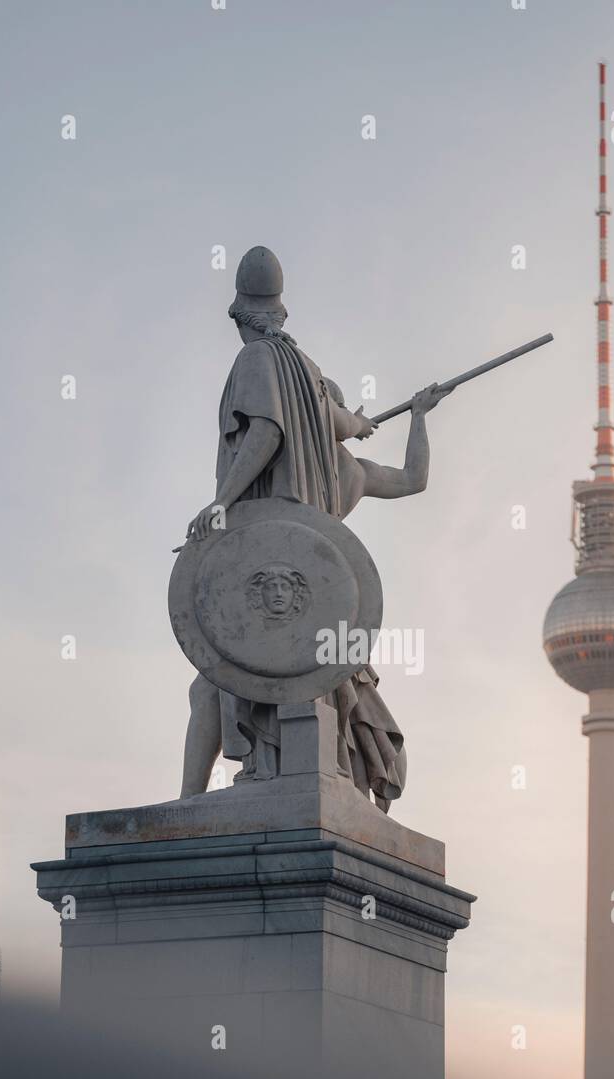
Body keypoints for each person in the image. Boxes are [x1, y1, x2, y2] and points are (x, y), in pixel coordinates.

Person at [180, 247, 451, 808]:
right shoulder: (347, 469)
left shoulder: (260, 361)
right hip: (321, 612)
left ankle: (193, 799)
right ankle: (258, 784)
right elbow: (413, 478)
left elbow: (266, 435)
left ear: (240, 316)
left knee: (212, 685)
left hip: (270, 587)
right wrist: (419, 416)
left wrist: (221, 503)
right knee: (219, 685)